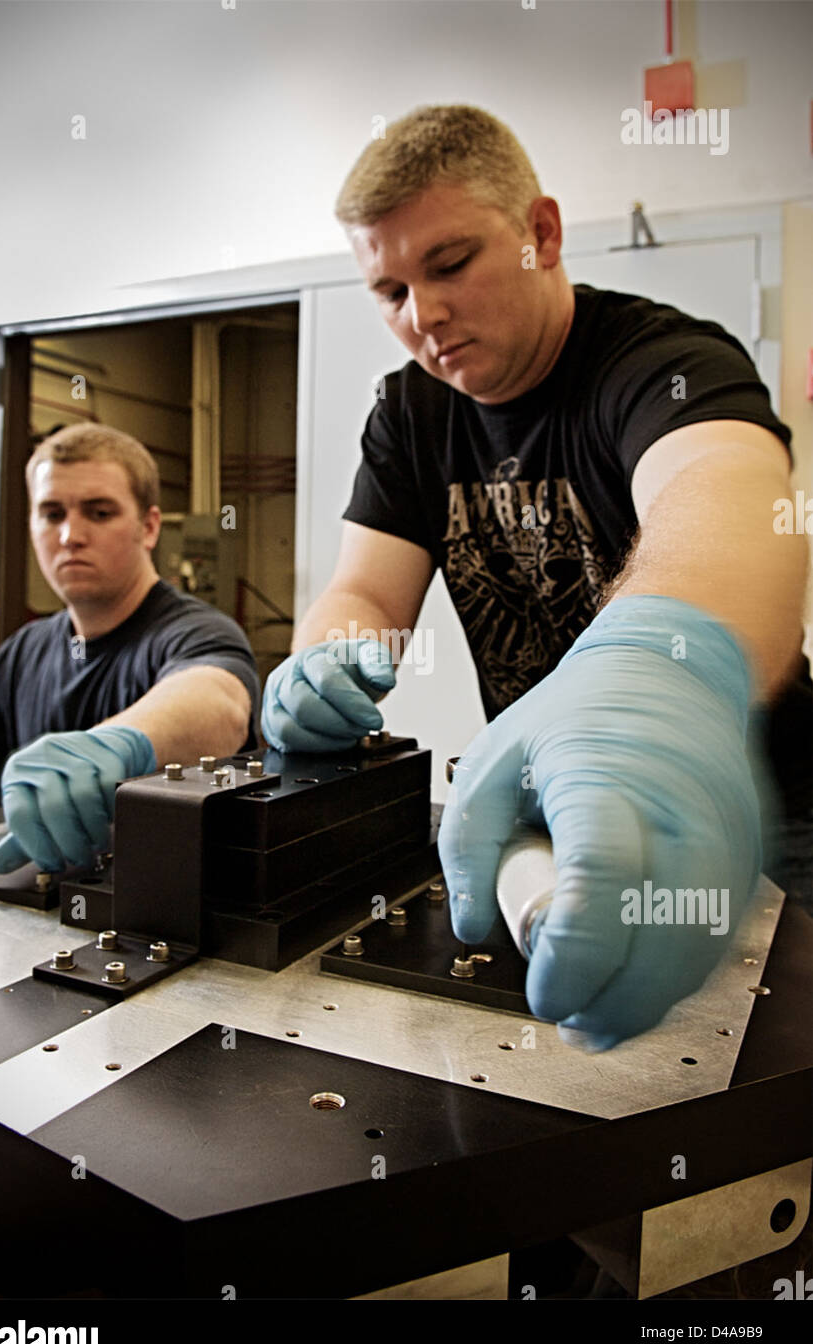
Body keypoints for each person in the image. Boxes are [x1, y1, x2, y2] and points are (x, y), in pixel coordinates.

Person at [262, 104, 811, 1052]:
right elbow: (365, 591)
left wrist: (658, 679)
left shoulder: (660, 363)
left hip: (755, 807)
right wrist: (330, 658)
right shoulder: (411, 414)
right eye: (388, 289)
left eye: (449, 264)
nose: (423, 317)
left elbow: (728, 499)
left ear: (541, 235)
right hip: (550, 801)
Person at [0, 423, 260, 874]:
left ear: (149, 527)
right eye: (52, 513)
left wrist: (117, 747)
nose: (70, 536)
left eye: (99, 513)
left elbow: (221, 703)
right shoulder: (21, 652)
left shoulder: (195, 631)